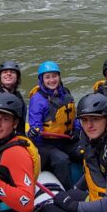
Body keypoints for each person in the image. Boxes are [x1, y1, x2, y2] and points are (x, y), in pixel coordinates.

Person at [27, 60, 80, 188]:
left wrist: (77, 131)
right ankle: (68, 192)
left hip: (66, 140)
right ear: (42, 79)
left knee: (86, 151)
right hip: (46, 145)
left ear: (59, 77)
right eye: (47, 77)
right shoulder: (37, 100)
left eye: (54, 76)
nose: (52, 80)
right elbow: (36, 127)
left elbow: (75, 117)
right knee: (62, 160)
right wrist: (33, 133)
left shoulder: (66, 93)